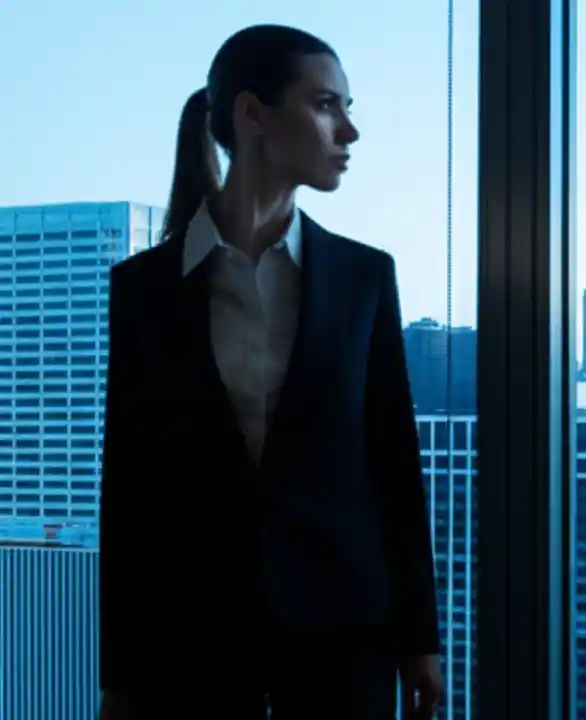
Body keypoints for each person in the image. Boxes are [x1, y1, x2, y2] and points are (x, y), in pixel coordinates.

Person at [99, 24, 443, 719]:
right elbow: (130, 489)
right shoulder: (145, 289)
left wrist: (420, 642)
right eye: (326, 104)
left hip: (342, 635)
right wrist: (119, 676)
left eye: (347, 108)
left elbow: (394, 469)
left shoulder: (363, 278)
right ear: (252, 114)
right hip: (188, 641)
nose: (349, 131)